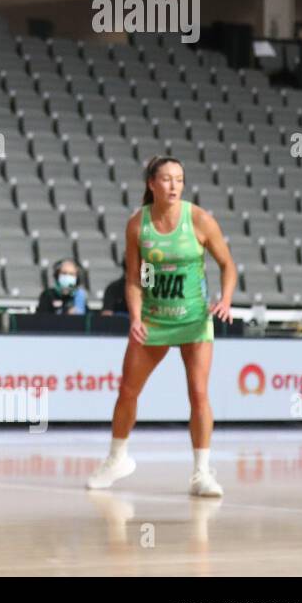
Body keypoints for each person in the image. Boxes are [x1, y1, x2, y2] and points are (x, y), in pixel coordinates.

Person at [86, 155, 236, 497]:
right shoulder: (138, 225)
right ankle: (117, 459)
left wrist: (225, 300)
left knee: (198, 394)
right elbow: (135, 279)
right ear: (151, 183)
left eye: (179, 179)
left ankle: (201, 473)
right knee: (128, 390)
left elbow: (228, 265)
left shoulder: (198, 219)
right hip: (154, 320)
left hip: (195, 320)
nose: (174, 185)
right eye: (167, 179)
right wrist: (136, 317)